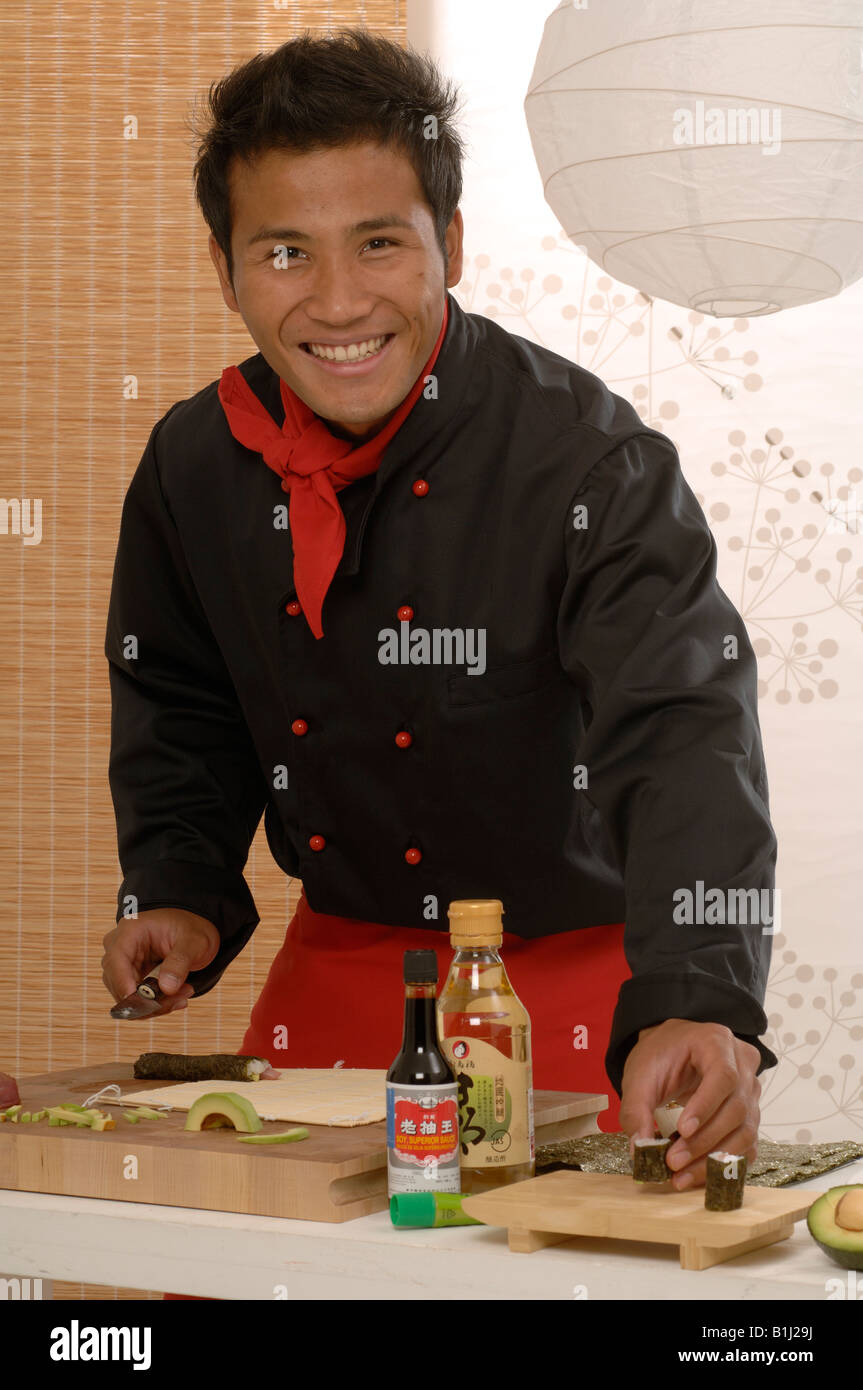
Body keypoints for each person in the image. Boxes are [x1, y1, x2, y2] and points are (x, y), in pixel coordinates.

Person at [101, 27, 778, 1246]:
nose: (339, 300)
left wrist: (696, 997)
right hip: (337, 977)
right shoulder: (190, 466)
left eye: (379, 243)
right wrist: (182, 889)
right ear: (225, 265)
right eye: (284, 252)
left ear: (449, 245)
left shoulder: (591, 462)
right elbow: (184, 706)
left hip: (570, 997)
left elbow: (681, 728)